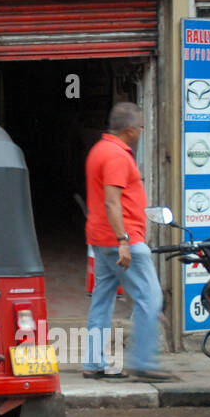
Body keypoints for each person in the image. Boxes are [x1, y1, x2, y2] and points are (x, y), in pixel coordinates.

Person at [82, 102, 172, 382]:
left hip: (101, 238)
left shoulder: (99, 149)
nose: (142, 132)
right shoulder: (117, 156)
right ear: (131, 130)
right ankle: (143, 361)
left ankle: (94, 362)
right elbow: (112, 202)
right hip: (122, 239)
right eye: (141, 127)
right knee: (150, 298)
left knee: (103, 299)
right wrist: (123, 240)